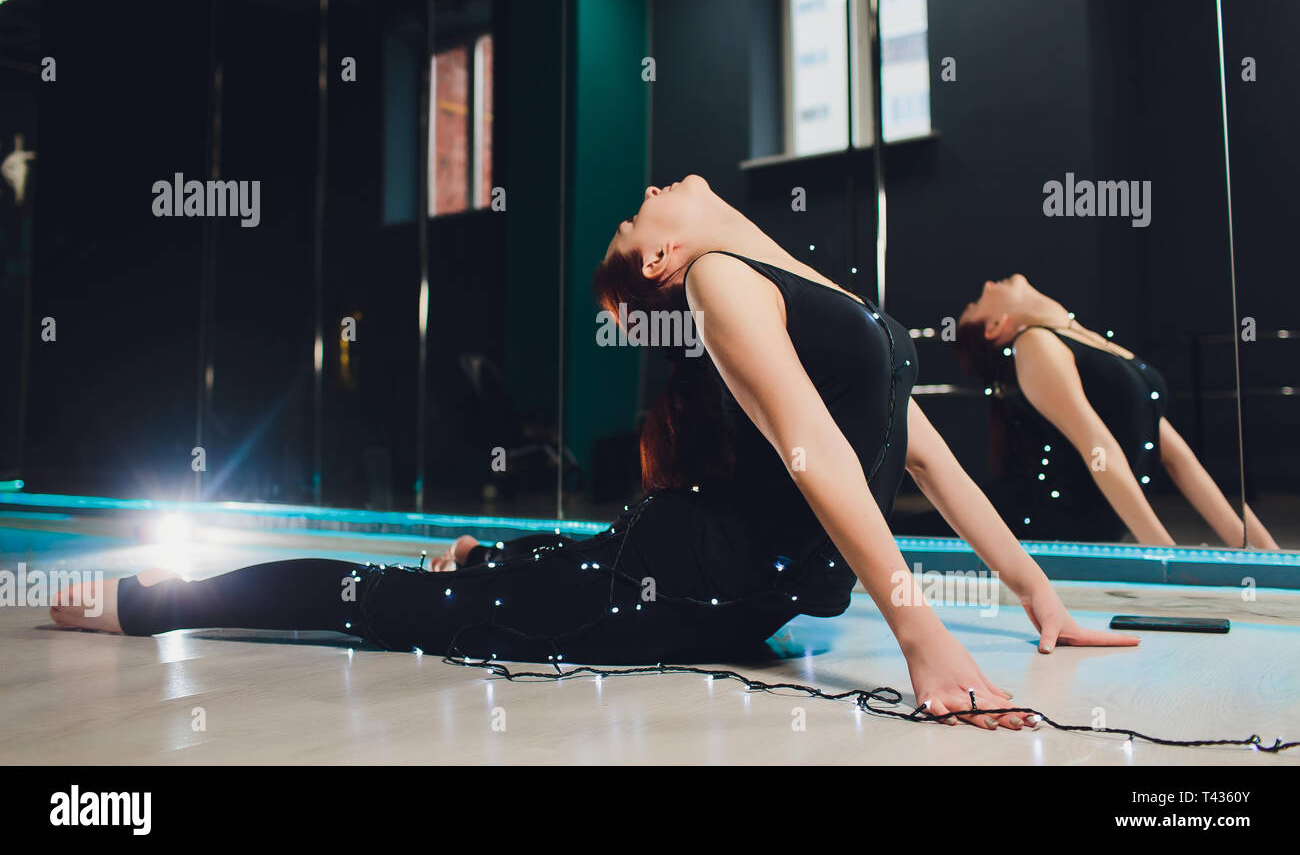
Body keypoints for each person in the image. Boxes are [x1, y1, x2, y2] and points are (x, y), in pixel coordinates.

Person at [51, 175, 1137, 731]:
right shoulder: (719, 283)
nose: (651, 186)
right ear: (667, 253)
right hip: (680, 578)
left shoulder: (821, 289)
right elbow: (812, 454)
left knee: (557, 556)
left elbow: (927, 462)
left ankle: (482, 554)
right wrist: (923, 636)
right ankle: (152, 597)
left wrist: (1036, 592)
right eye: (638, 213)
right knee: (376, 601)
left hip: (715, 573)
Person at [954, 273, 1277, 549]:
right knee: (918, 530)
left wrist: (1249, 544)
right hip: (1051, 526)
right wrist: (1164, 554)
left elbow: (1176, 456)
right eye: (977, 303)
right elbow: (1097, 447)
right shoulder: (1034, 342)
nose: (987, 285)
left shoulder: (1081, 339)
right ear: (996, 326)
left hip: (1087, 526)